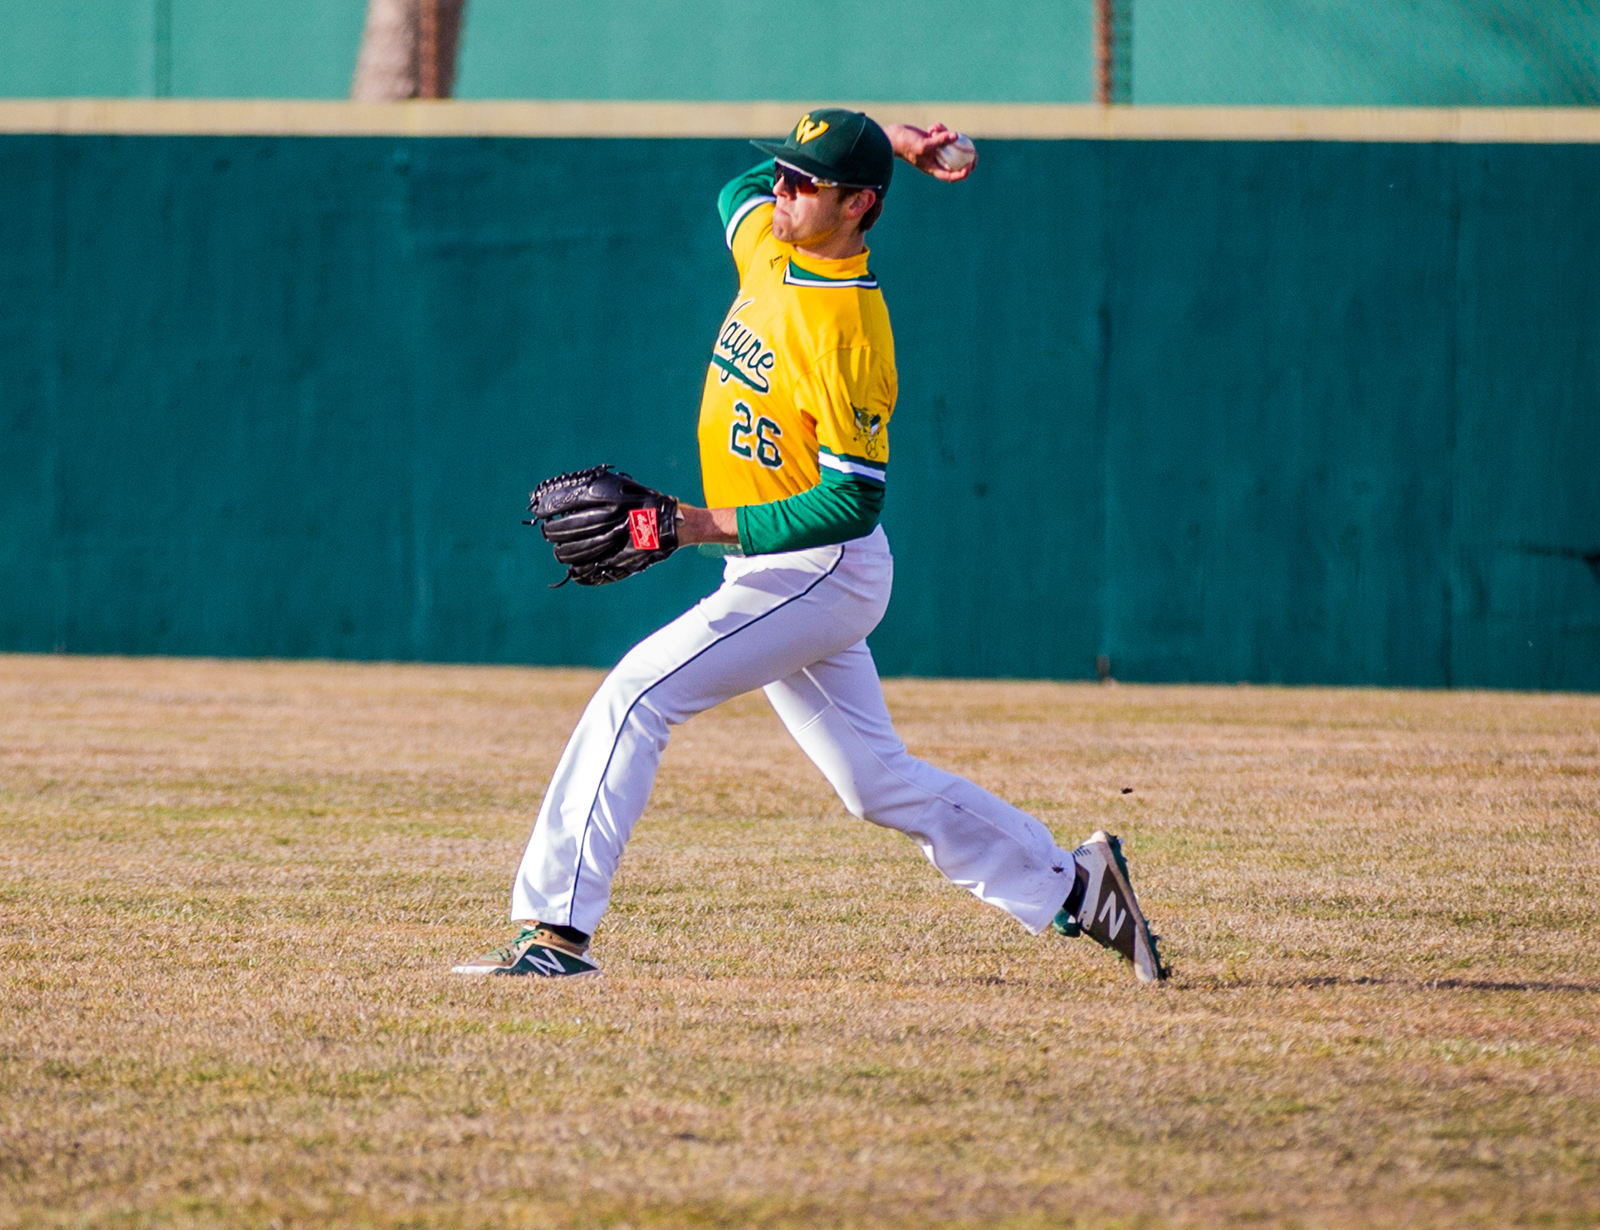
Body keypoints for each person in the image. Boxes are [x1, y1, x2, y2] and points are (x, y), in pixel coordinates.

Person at [454, 110, 1165, 984]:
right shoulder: (770, 245)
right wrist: (886, 139)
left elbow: (852, 501)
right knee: (873, 783)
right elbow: (737, 189)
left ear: (859, 205)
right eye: (784, 173)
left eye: (804, 181)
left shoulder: (850, 330)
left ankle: (556, 935)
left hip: (820, 570)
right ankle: (1077, 885)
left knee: (636, 697)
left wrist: (692, 523)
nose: (782, 190)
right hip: (776, 569)